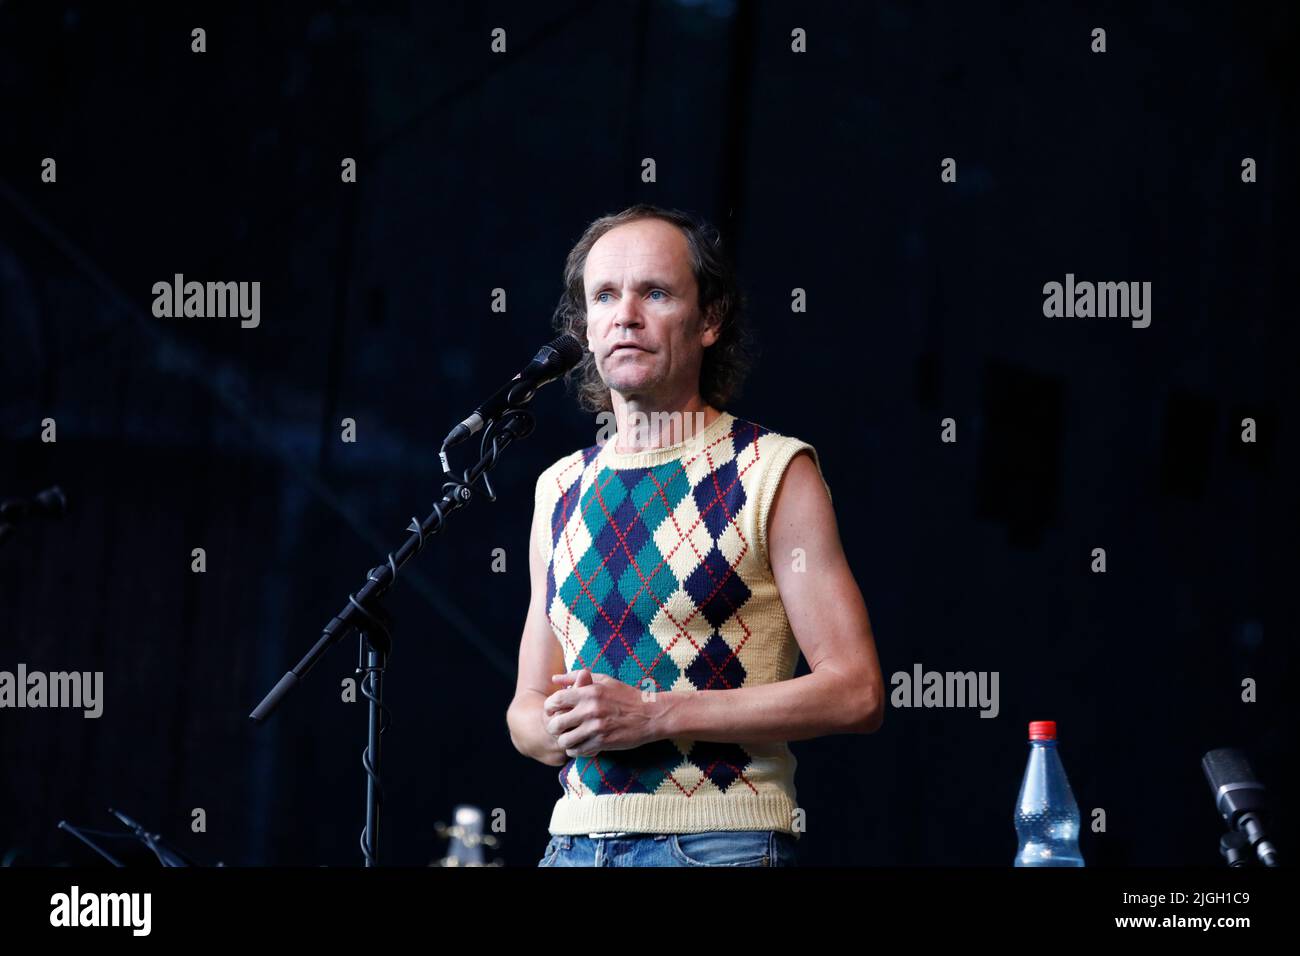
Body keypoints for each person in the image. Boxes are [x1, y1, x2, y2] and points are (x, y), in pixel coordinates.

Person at [505, 204, 884, 867]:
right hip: (571, 844)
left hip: (717, 845)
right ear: (585, 328)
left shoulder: (771, 469)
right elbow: (527, 708)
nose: (626, 314)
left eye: (655, 292)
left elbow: (856, 692)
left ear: (709, 321)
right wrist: (556, 727)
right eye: (605, 296)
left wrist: (657, 714)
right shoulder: (559, 488)